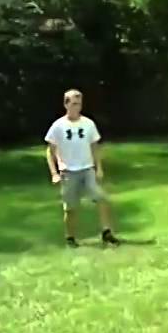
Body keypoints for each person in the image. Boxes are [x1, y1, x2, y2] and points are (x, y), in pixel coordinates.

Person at [45, 89, 121, 248]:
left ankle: (107, 233)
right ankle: (70, 238)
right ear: (66, 105)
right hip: (68, 172)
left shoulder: (88, 124)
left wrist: (98, 167)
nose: (77, 107)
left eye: (79, 104)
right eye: (73, 104)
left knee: (101, 199)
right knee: (70, 208)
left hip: (87, 170)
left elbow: (95, 147)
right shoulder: (58, 126)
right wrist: (54, 173)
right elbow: (49, 150)